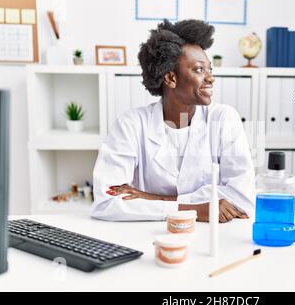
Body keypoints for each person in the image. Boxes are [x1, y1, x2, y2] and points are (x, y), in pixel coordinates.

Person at [91, 19, 255, 222]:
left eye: (209, 69)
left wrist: (153, 199)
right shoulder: (130, 125)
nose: (210, 78)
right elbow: (106, 203)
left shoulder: (223, 119)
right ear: (170, 79)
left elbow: (243, 200)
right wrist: (197, 209)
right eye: (199, 70)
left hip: (212, 239)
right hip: (148, 237)